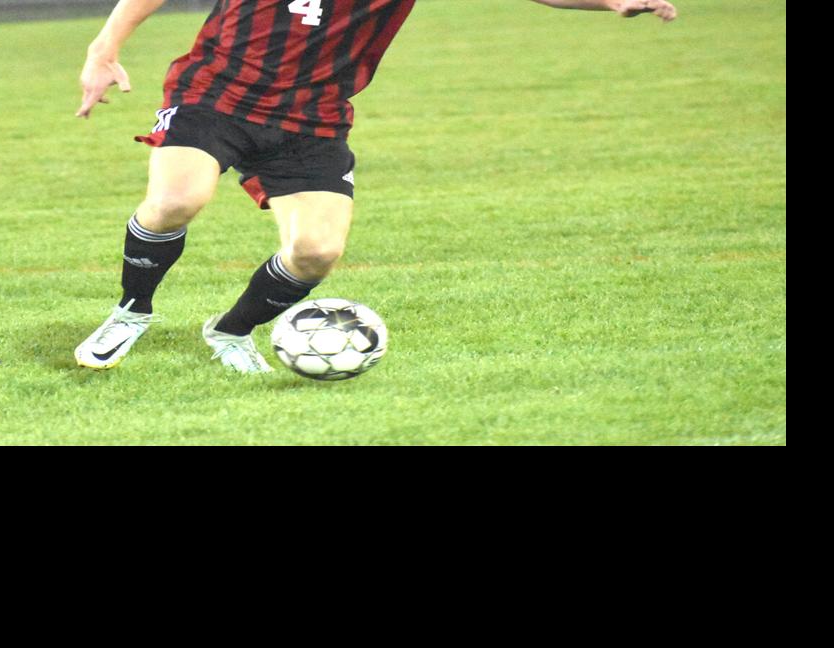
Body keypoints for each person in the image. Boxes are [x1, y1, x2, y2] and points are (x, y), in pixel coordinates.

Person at [73, 0, 677, 374]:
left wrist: (610, 0)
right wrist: (106, 47)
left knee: (318, 252)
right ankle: (132, 311)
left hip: (313, 117)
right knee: (179, 197)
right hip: (215, 94)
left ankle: (231, 331)